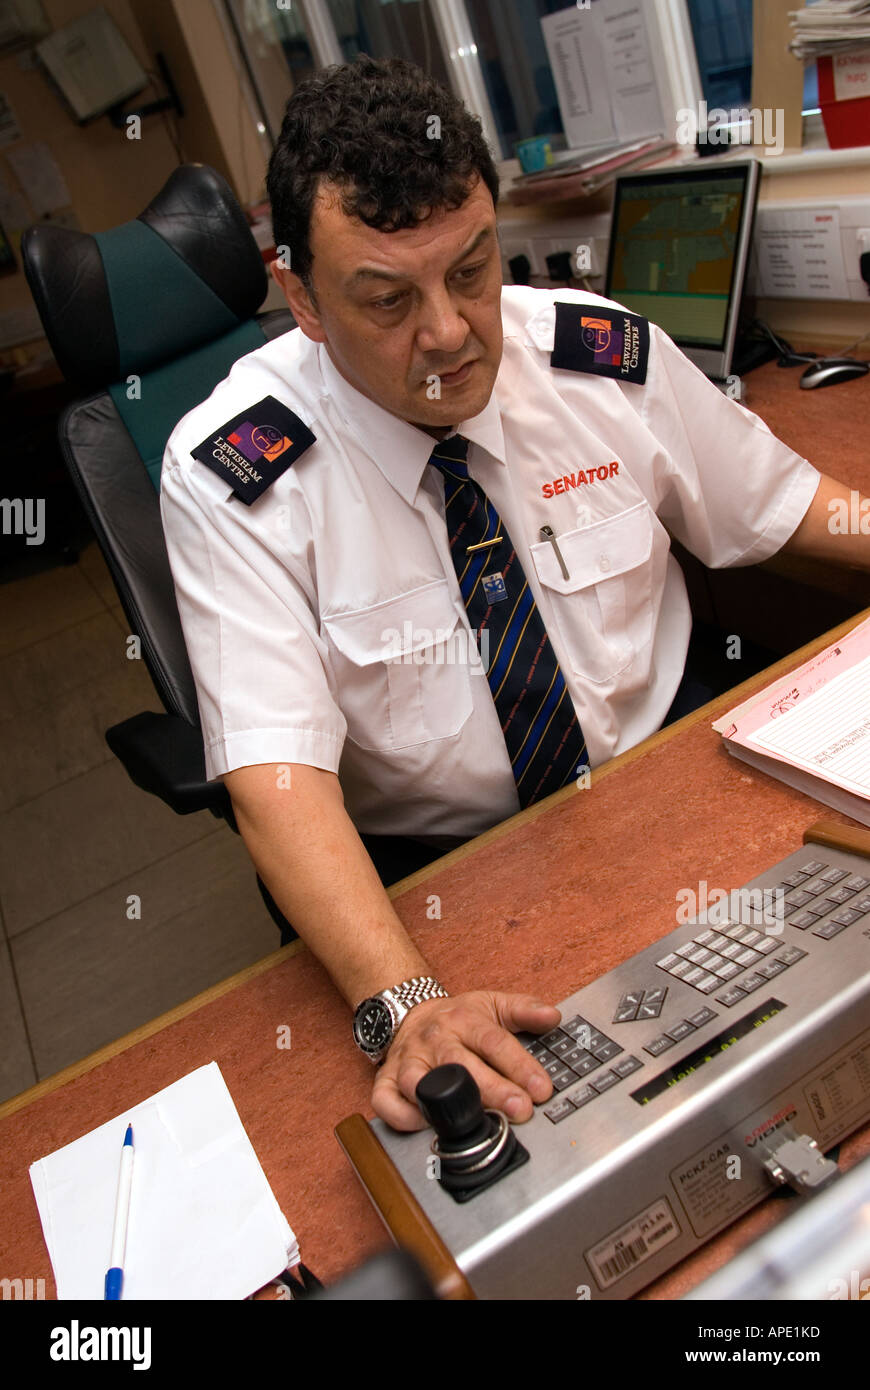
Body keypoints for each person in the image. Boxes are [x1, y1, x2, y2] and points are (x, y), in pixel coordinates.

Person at [159, 55, 869, 1133]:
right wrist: (404, 1005)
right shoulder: (235, 471)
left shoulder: (595, 355)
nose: (448, 333)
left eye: (473, 271)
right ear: (299, 295)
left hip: (668, 774)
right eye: (387, 299)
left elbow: (787, 505)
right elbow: (273, 775)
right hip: (452, 872)